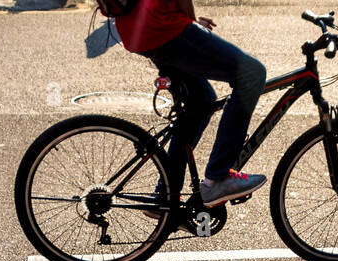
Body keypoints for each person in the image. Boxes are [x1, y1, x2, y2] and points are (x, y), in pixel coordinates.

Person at [114, 0, 267, 208]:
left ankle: (166, 195)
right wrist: (191, 24)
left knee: (200, 102)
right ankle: (218, 177)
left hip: (137, 30)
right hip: (164, 27)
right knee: (252, 74)